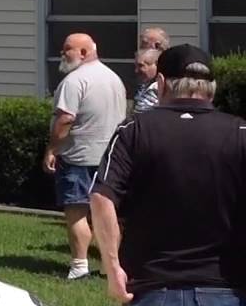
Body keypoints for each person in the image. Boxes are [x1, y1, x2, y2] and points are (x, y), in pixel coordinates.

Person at [91, 44, 246, 305]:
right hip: (226, 286)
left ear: (160, 83)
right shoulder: (240, 132)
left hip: (152, 286)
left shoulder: (133, 130)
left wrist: (112, 266)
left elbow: (101, 198)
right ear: (212, 87)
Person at [44, 33, 127, 280]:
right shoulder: (114, 78)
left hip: (78, 157)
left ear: (83, 52)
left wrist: (52, 149)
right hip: (110, 158)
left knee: (76, 211)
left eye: (67, 49)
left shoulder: (73, 81)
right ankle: (109, 266)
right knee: (107, 214)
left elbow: (65, 118)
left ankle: (79, 266)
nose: (62, 53)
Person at [133, 48, 160, 115]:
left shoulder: (163, 90)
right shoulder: (143, 86)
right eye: (135, 66)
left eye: (141, 65)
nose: (136, 70)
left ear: (157, 64)